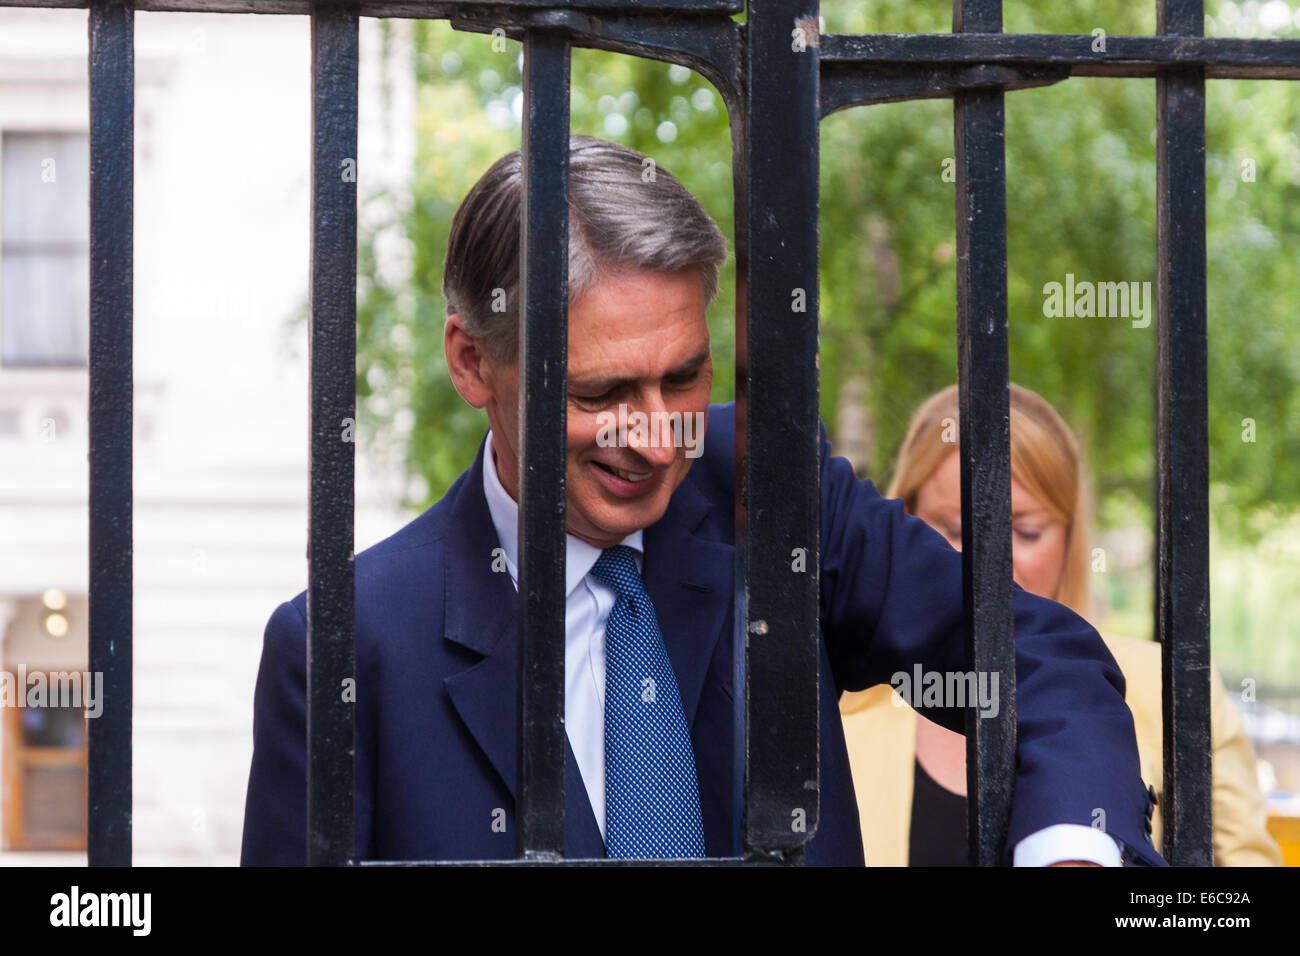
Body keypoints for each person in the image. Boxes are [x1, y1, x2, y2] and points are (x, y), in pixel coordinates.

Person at [240, 135, 1164, 866]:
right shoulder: (342, 652)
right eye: (600, 394)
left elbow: (1036, 662)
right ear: (472, 360)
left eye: (683, 378)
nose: (654, 438)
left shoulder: (768, 489)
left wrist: (1071, 856)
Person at [840, 382, 1282, 866]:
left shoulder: (1169, 686)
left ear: (1071, 539)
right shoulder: (838, 700)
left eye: (1026, 531)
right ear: (902, 527)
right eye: (952, 529)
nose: (988, 561)